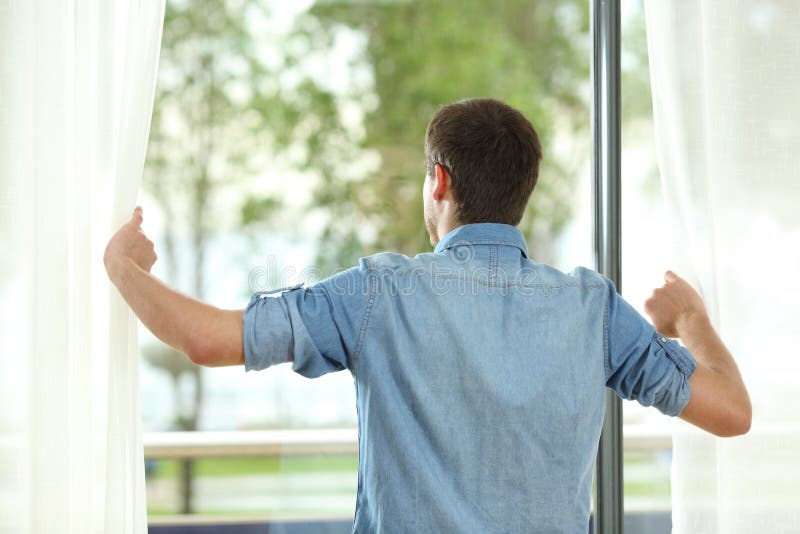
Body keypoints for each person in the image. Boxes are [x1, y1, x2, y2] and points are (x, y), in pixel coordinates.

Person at [104, 98, 751, 533]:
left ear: (438, 181)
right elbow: (731, 412)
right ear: (521, 192)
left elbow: (206, 339)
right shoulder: (592, 308)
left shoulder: (379, 293)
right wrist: (690, 316)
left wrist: (122, 267)